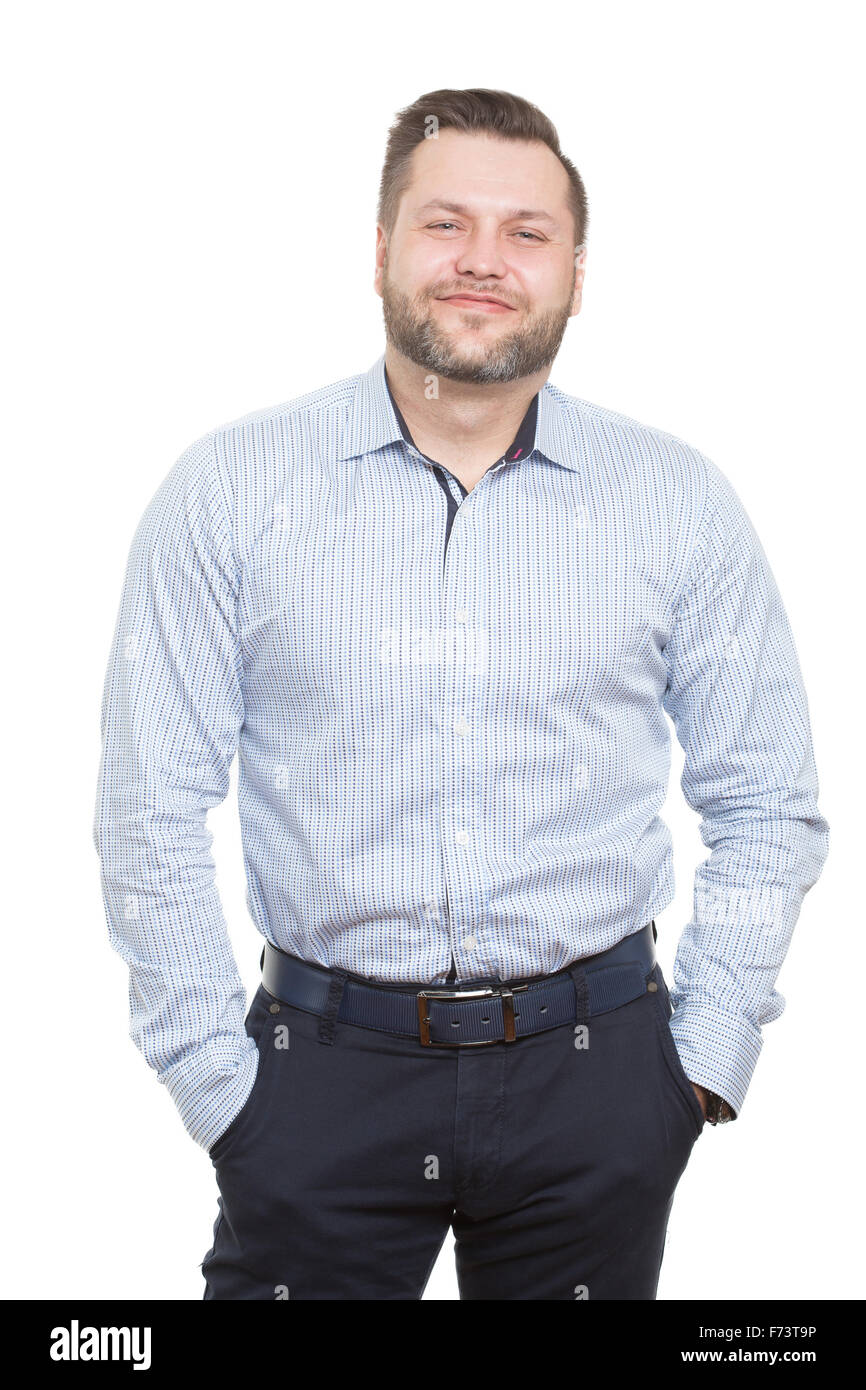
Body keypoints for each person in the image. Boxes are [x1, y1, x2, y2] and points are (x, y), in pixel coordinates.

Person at [93, 87, 830, 1300]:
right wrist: (219, 1090)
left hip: (597, 1079)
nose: (483, 260)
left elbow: (765, 800)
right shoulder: (229, 491)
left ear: (574, 276)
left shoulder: (674, 502)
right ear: (382, 249)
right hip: (316, 1078)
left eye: (525, 232)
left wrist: (696, 1062)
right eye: (446, 224)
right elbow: (149, 809)